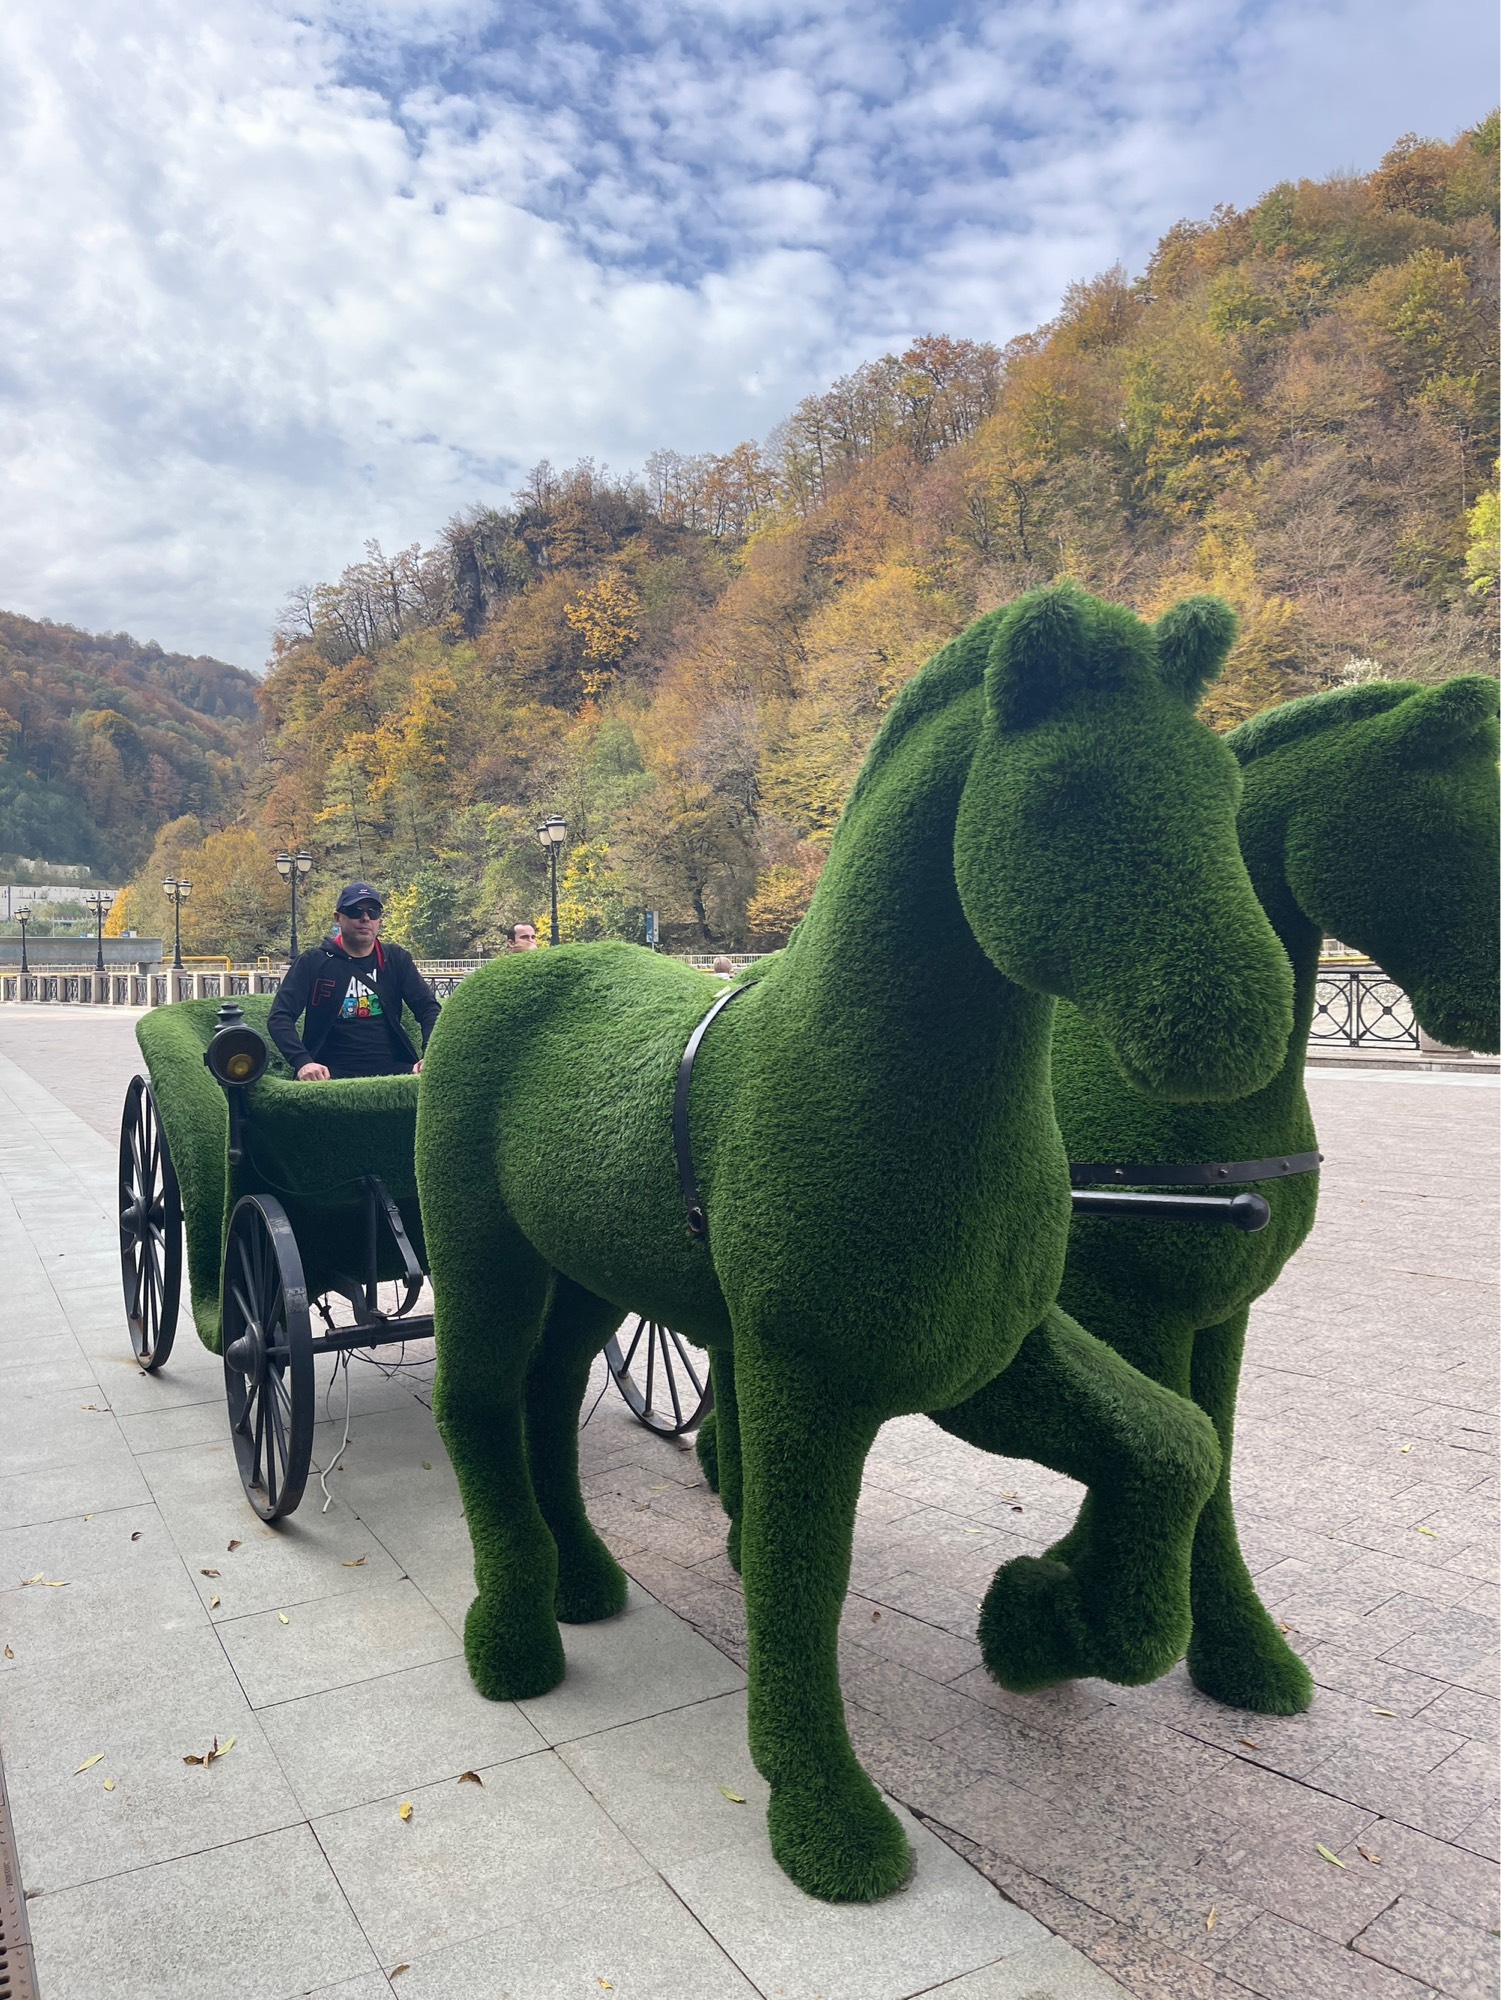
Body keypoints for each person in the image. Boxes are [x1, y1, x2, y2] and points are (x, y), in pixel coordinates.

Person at [267, 883, 441, 1081]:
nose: (365, 918)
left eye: (372, 912)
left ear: (379, 920)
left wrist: (431, 1055)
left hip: (393, 1069)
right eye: (354, 911)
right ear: (338, 918)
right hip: (328, 1073)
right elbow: (279, 1017)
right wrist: (303, 1062)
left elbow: (428, 1009)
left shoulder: (396, 959)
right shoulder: (313, 961)